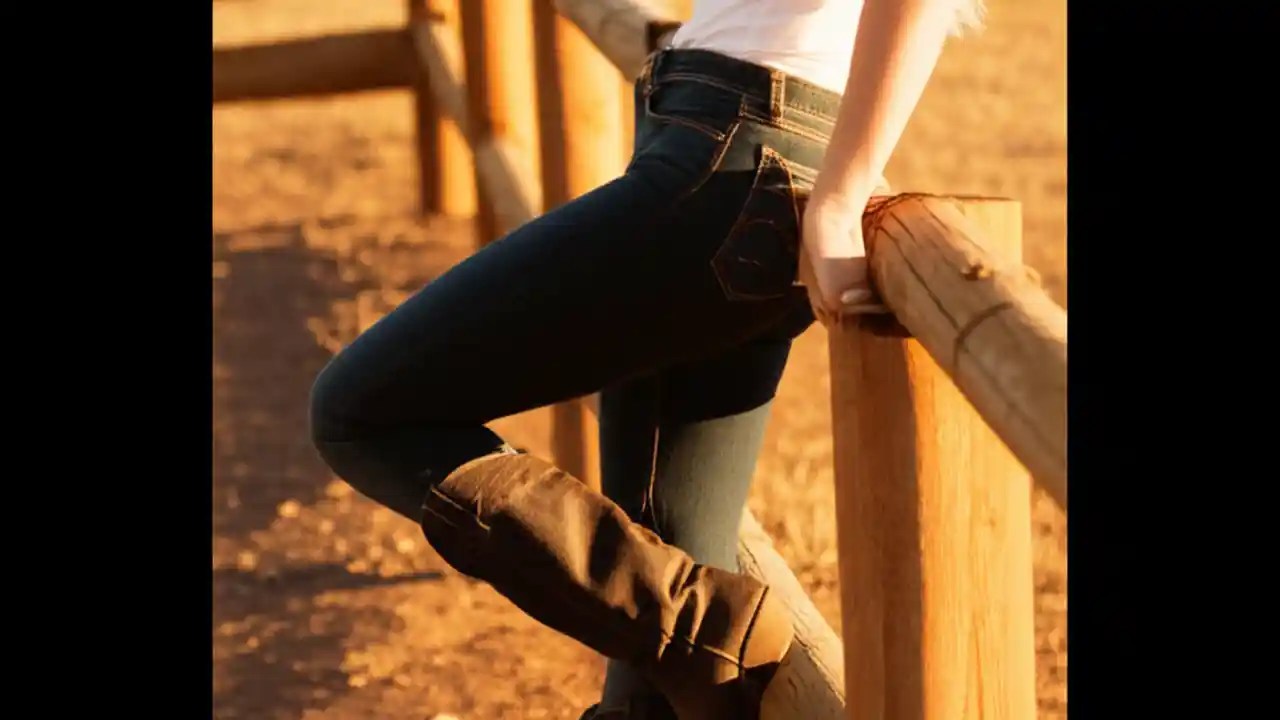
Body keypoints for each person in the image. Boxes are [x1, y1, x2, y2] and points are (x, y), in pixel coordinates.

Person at [309, 0, 983, 717]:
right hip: (730, 138)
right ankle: (696, 640)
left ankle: (704, 628)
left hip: (736, 154)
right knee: (666, 600)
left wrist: (845, 189)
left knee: (360, 413)